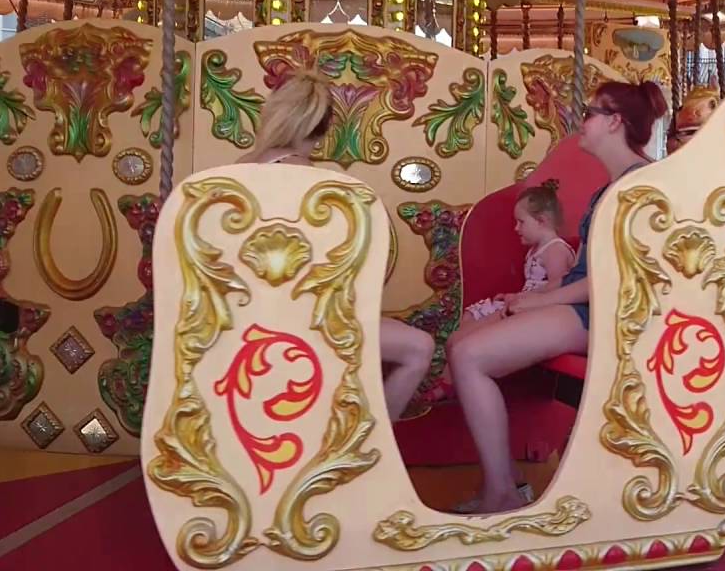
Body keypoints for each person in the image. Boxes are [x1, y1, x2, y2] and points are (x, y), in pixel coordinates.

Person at [447, 80, 668, 513]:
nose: (580, 122)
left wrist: (541, 301)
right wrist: (529, 297)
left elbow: (614, 277)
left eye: (589, 113)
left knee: (470, 356)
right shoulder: (610, 189)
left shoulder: (638, 189)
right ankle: (505, 479)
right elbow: (584, 267)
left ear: (614, 122)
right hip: (581, 302)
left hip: (601, 311)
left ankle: (501, 491)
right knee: (459, 343)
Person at [238, 69, 435, 418]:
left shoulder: (236, 169)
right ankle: (372, 442)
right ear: (324, 128)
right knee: (419, 347)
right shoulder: (318, 183)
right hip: (298, 320)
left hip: (241, 315)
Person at [425, 181, 575, 403]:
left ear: (541, 221)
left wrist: (522, 299)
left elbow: (559, 286)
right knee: (470, 315)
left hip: (535, 308)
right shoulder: (536, 249)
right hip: (524, 300)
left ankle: (451, 381)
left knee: (461, 338)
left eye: (521, 222)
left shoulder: (555, 250)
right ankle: (454, 376)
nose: (516, 228)